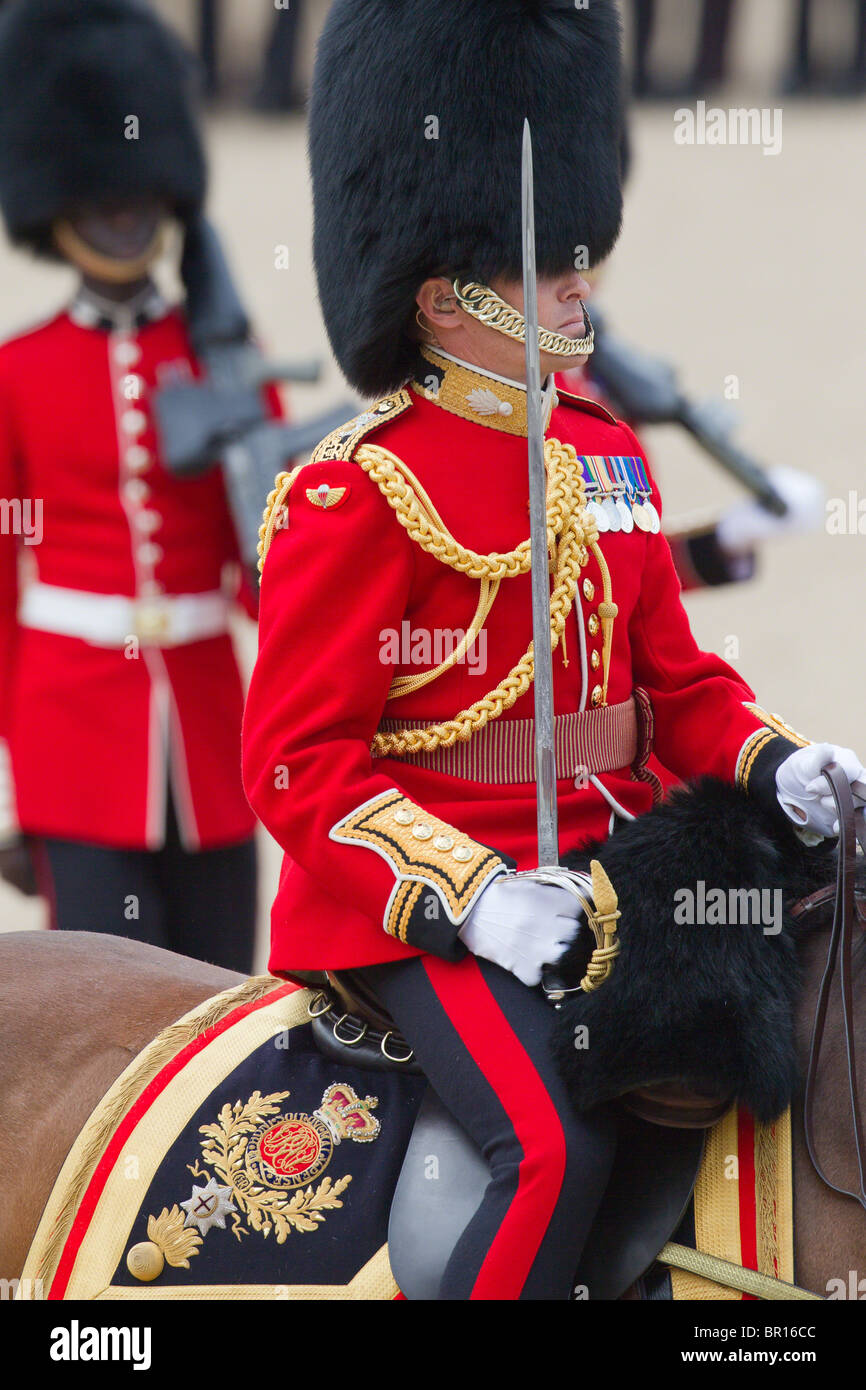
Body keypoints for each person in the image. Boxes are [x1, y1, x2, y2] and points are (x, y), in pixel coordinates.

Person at [243, 0, 865, 1300]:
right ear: (442, 292)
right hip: (417, 920)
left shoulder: (602, 449)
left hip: (613, 864)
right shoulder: (353, 489)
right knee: (546, 1139)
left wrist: (774, 761)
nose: (577, 275)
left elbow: (678, 684)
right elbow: (297, 765)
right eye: (541, 258)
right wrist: (468, 890)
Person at [0, 0, 279, 971]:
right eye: (102, 200)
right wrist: (17, 785)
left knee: (218, 1001)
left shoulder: (226, 358)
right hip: (70, 734)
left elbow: (266, 566)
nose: (124, 217)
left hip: (207, 725)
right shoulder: (18, 369)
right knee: (98, 1009)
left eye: (139, 198)